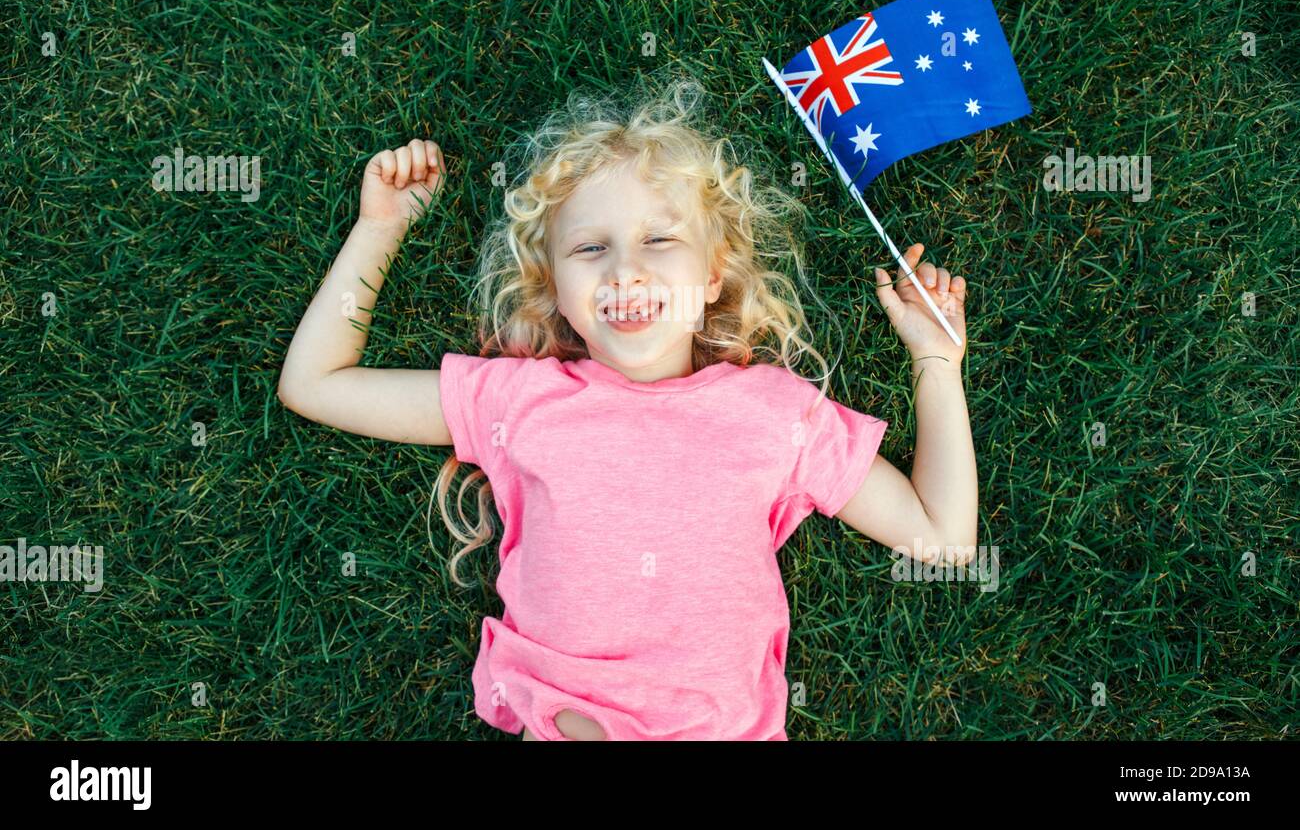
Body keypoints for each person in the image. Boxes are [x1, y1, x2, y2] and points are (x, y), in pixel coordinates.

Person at [277, 76, 977, 740]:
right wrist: (382, 227)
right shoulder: (519, 401)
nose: (625, 271)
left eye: (659, 239)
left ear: (711, 276)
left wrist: (936, 361)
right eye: (589, 248)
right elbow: (315, 384)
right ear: (553, 285)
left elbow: (942, 538)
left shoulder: (773, 413)